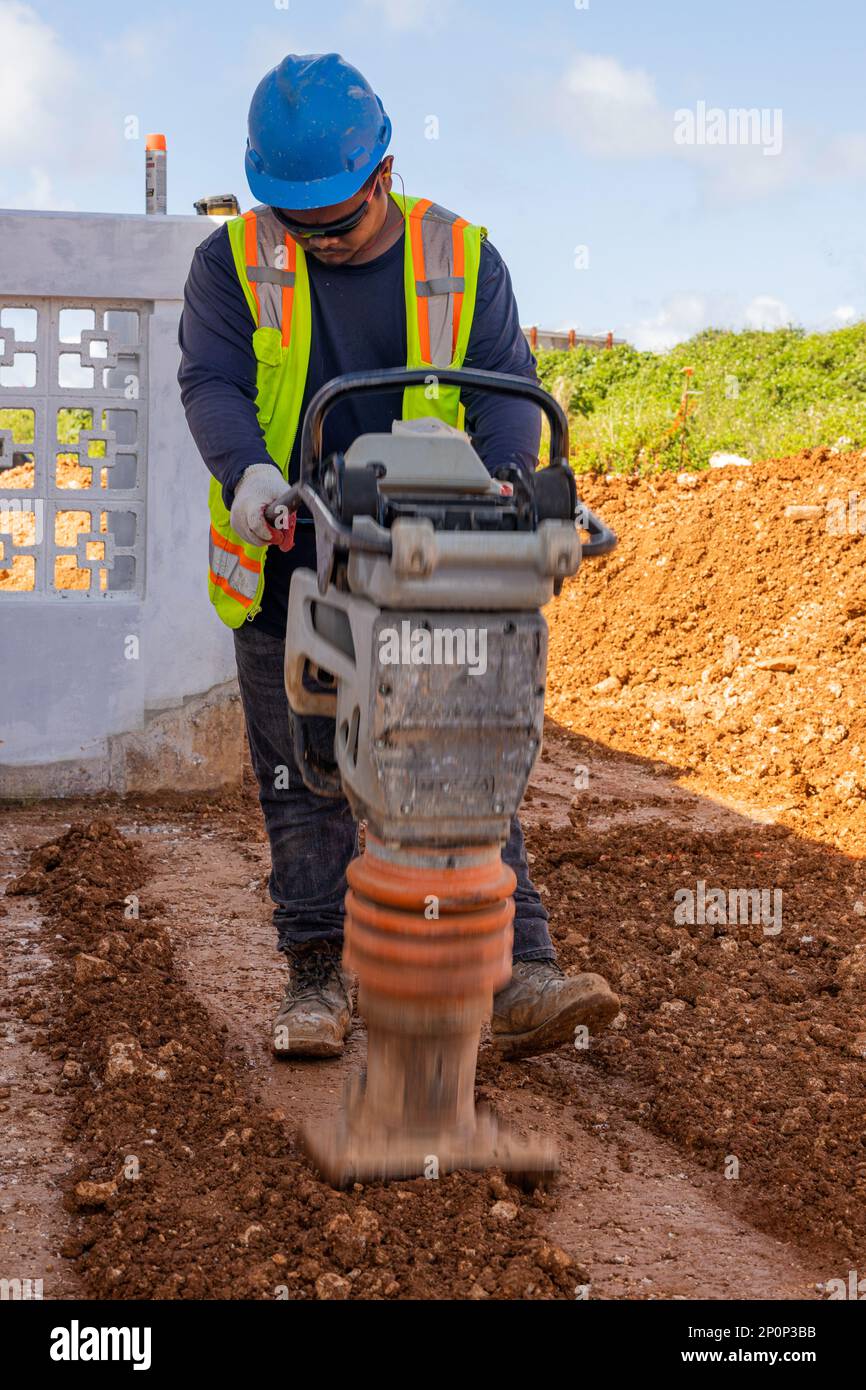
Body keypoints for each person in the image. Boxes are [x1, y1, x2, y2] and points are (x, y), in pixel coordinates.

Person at [179, 52, 618, 1060]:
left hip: (423, 564)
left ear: (382, 172)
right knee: (303, 782)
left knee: (466, 756)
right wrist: (247, 474)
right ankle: (317, 980)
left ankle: (516, 973)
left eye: (337, 219)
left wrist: (511, 490)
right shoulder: (232, 262)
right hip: (285, 562)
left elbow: (506, 396)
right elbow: (211, 378)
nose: (321, 243)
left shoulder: (460, 257)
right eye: (301, 225)